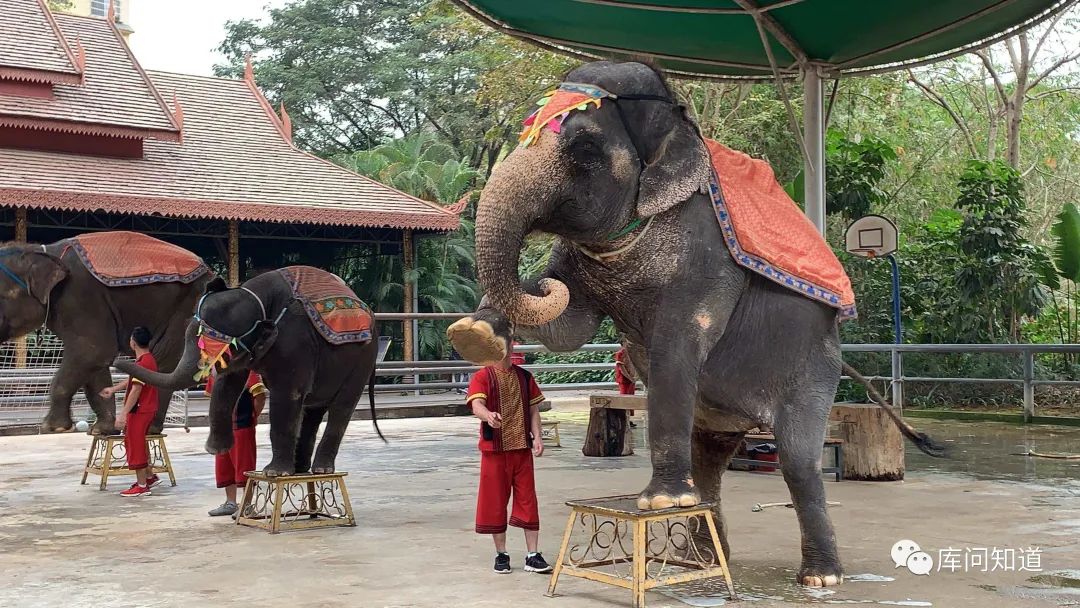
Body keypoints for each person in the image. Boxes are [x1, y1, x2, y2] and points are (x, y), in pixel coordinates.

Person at [467, 340, 552, 575]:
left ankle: (532, 555)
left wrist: (538, 437)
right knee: (494, 502)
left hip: (521, 449)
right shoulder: (483, 376)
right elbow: (476, 404)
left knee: (528, 500)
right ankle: (501, 554)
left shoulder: (525, 377)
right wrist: (488, 416)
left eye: (508, 346)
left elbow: (534, 410)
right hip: (494, 451)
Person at [100, 326, 160, 497]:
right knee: (138, 442)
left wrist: (123, 414)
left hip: (139, 410)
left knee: (135, 444)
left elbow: (136, 390)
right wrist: (113, 389)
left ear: (133, 343)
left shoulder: (143, 362)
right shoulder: (147, 360)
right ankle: (148, 477)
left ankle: (141, 486)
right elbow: (133, 380)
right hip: (146, 408)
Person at [205, 371, 268, 517]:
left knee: (244, 466)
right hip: (222, 427)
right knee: (224, 466)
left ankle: (247, 505)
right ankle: (230, 502)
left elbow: (260, 396)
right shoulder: (215, 369)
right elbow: (212, 398)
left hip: (242, 424)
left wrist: (253, 416)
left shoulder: (247, 369)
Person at [614, 346, 638, 425]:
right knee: (624, 397)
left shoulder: (632, 352)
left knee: (631, 397)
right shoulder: (620, 353)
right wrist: (630, 377)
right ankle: (623, 418)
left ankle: (628, 418)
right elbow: (621, 368)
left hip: (631, 378)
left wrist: (634, 377)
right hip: (624, 379)